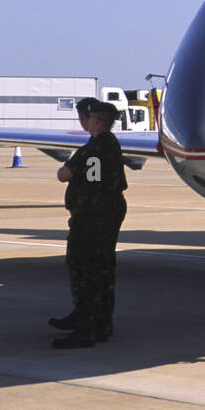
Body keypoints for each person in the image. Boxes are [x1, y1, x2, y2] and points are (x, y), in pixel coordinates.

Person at [51, 100, 127, 348]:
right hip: (109, 212)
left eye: (89, 117)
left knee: (84, 270)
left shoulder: (91, 149)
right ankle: (102, 323)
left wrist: (68, 167)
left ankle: (85, 329)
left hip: (91, 216)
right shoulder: (113, 145)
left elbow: (64, 174)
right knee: (104, 270)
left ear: (96, 120)